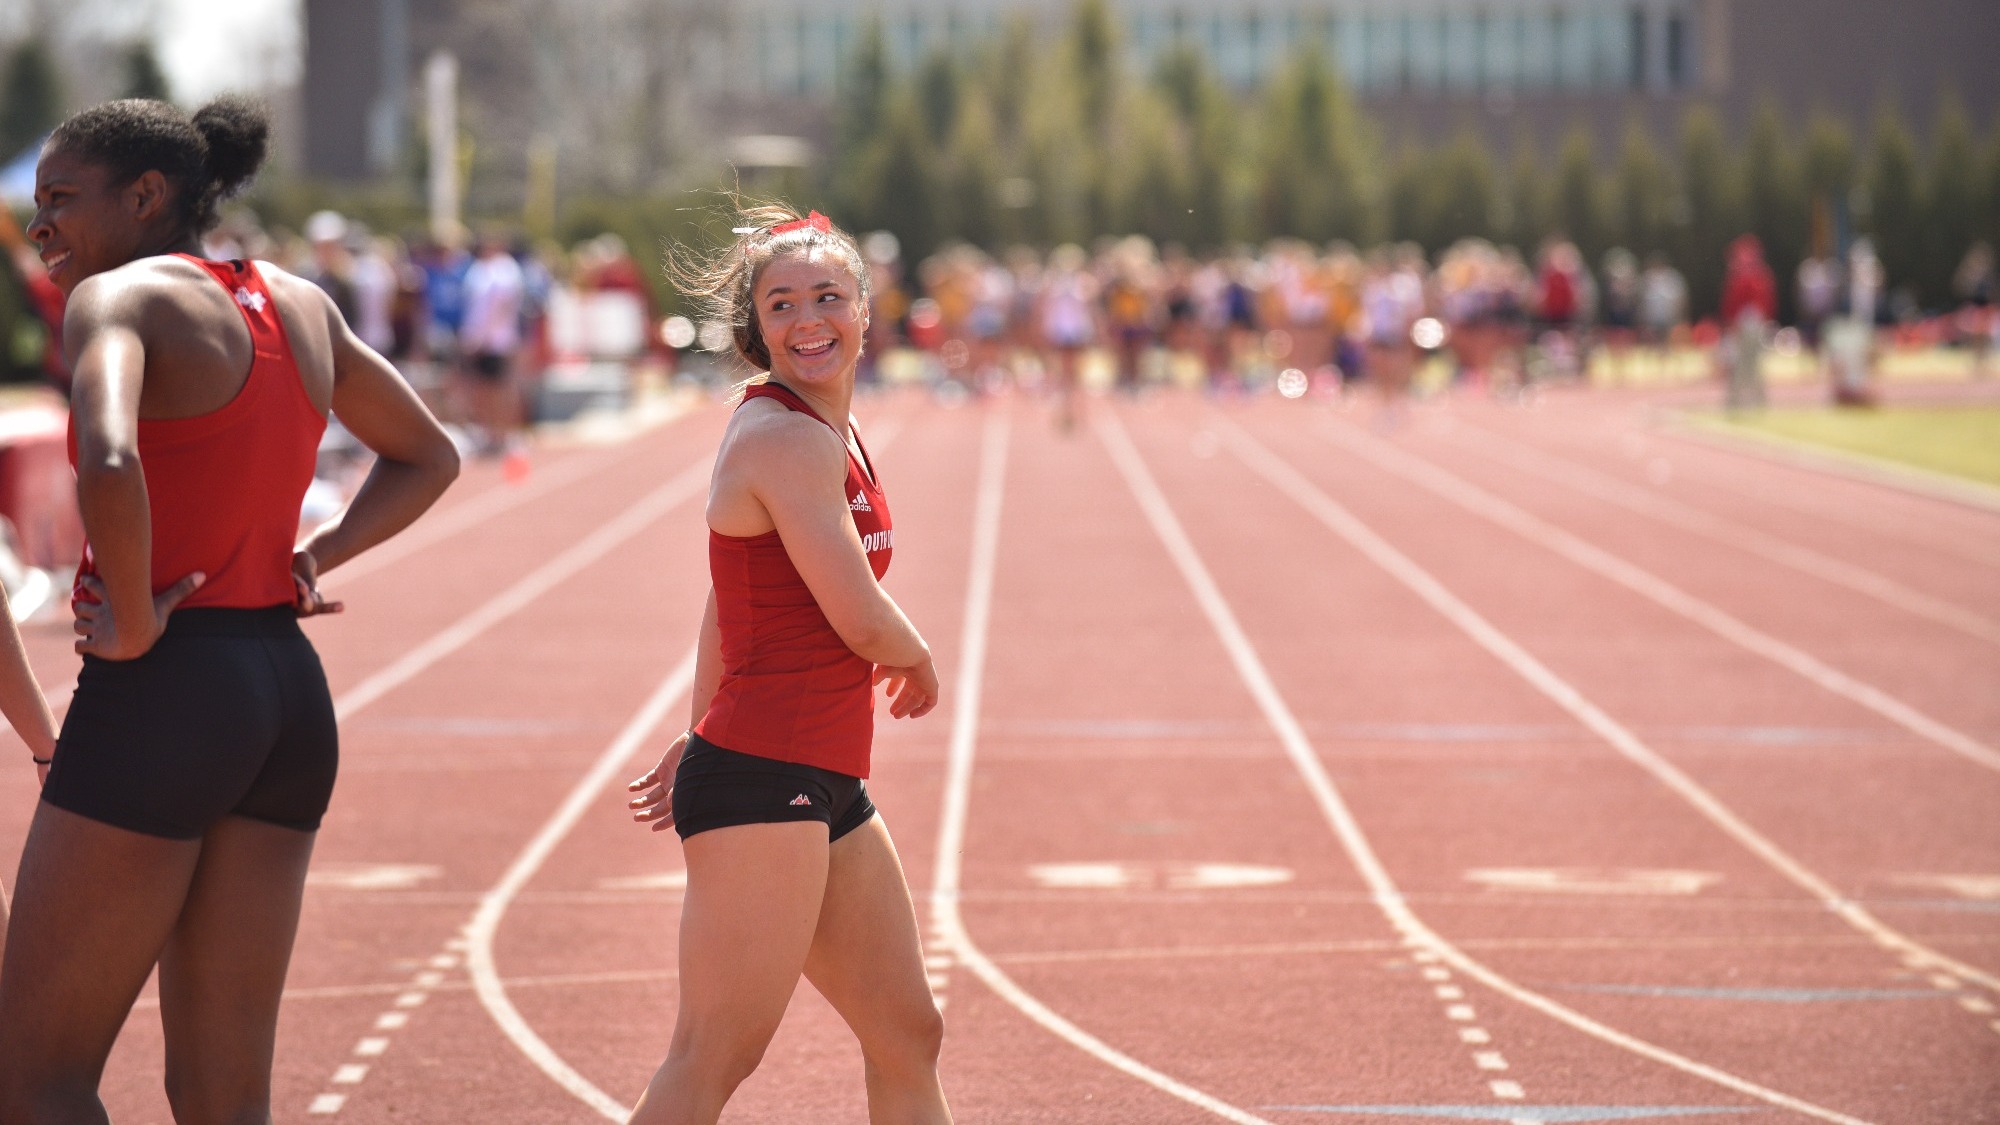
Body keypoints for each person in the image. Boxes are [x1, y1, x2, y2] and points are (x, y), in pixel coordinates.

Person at [0, 96, 460, 1122]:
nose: (40, 229)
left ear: (147, 195)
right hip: (284, 695)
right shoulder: (299, 300)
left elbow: (111, 457)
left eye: (61, 200)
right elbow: (430, 453)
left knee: (35, 1080)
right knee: (222, 1096)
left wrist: (130, 614)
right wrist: (317, 555)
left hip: (165, 690)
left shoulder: (115, 302)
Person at [625, 204, 950, 1125]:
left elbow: (728, 605)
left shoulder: (832, 431)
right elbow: (857, 614)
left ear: (864, 309)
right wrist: (916, 654)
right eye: (781, 305)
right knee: (714, 1053)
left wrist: (694, 731)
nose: (808, 320)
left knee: (907, 1031)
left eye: (826, 297)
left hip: (822, 771)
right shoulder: (782, 436)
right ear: (755, 327)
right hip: (767, 773)